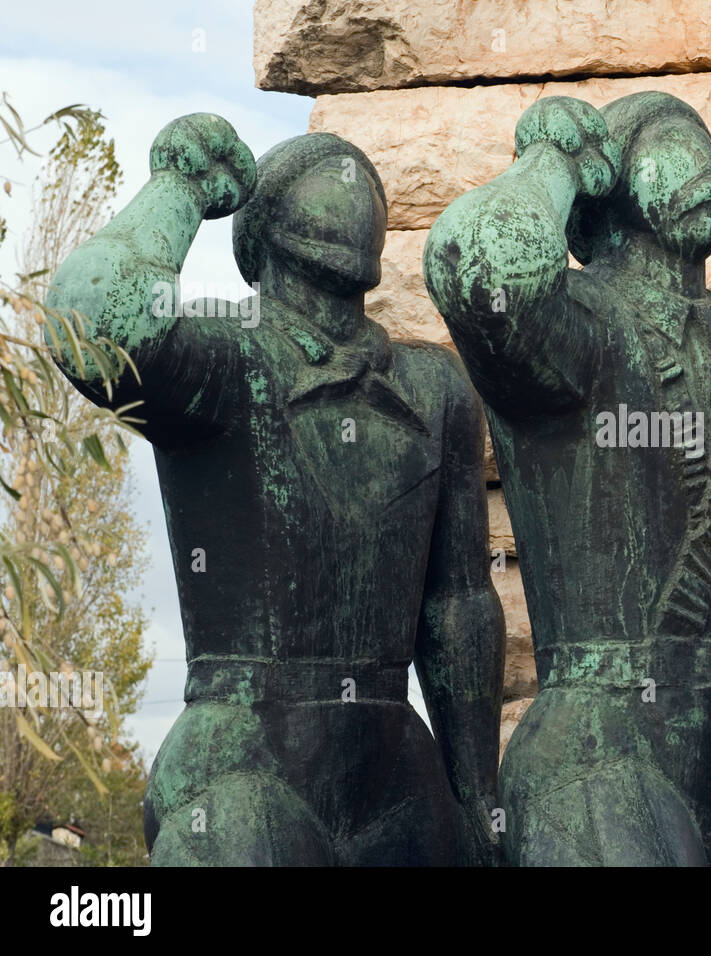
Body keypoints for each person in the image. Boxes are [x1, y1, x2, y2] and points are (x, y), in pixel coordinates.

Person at [46, 114, 505, 865]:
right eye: (318, 170)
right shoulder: (225, 364)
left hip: (398, 778)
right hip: (242, 767)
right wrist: (181, 183)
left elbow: (457, 606)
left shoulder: (437, 389)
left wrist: (476, 794)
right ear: (260, 238)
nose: (349, 177)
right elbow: (90, 322)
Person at [425, 92, 711, 865]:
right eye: (669, 141)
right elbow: (479, 265)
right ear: (603, 193)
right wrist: (552, 158)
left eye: (706, 140)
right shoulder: (573, 332)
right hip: (599, 751)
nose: (701, 160)